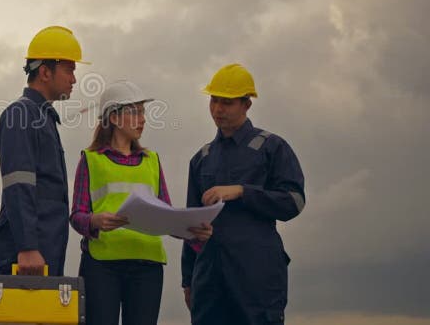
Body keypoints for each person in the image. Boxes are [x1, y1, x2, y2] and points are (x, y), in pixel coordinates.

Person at [70, 80, 212, 325]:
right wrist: (94, 220)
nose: (143, 119)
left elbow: (167, 215)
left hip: (147, 266)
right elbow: (76, 215)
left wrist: (193, 231)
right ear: (114, 118)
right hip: (103, 266)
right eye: (135, 112)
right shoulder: (91, 160)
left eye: (143, 112)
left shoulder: (152, 161)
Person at [181, 63, 306, 325]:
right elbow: (191, 224)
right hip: (209, 281)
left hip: (257, 276)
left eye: (227, 102)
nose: (218, 109)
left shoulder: (272, 147)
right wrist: (188, 280)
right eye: (214, 100)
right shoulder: (201, 159)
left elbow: (293, 202)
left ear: (247, 104)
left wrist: (242, 192)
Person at [0, 25, 87, 276]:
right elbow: (18, 183)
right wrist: (27, 246)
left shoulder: (42, 117)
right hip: (27, 253)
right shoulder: (21, 114)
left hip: (45, 245)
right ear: (44, 72)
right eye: (69, 70)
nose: (73, 80)